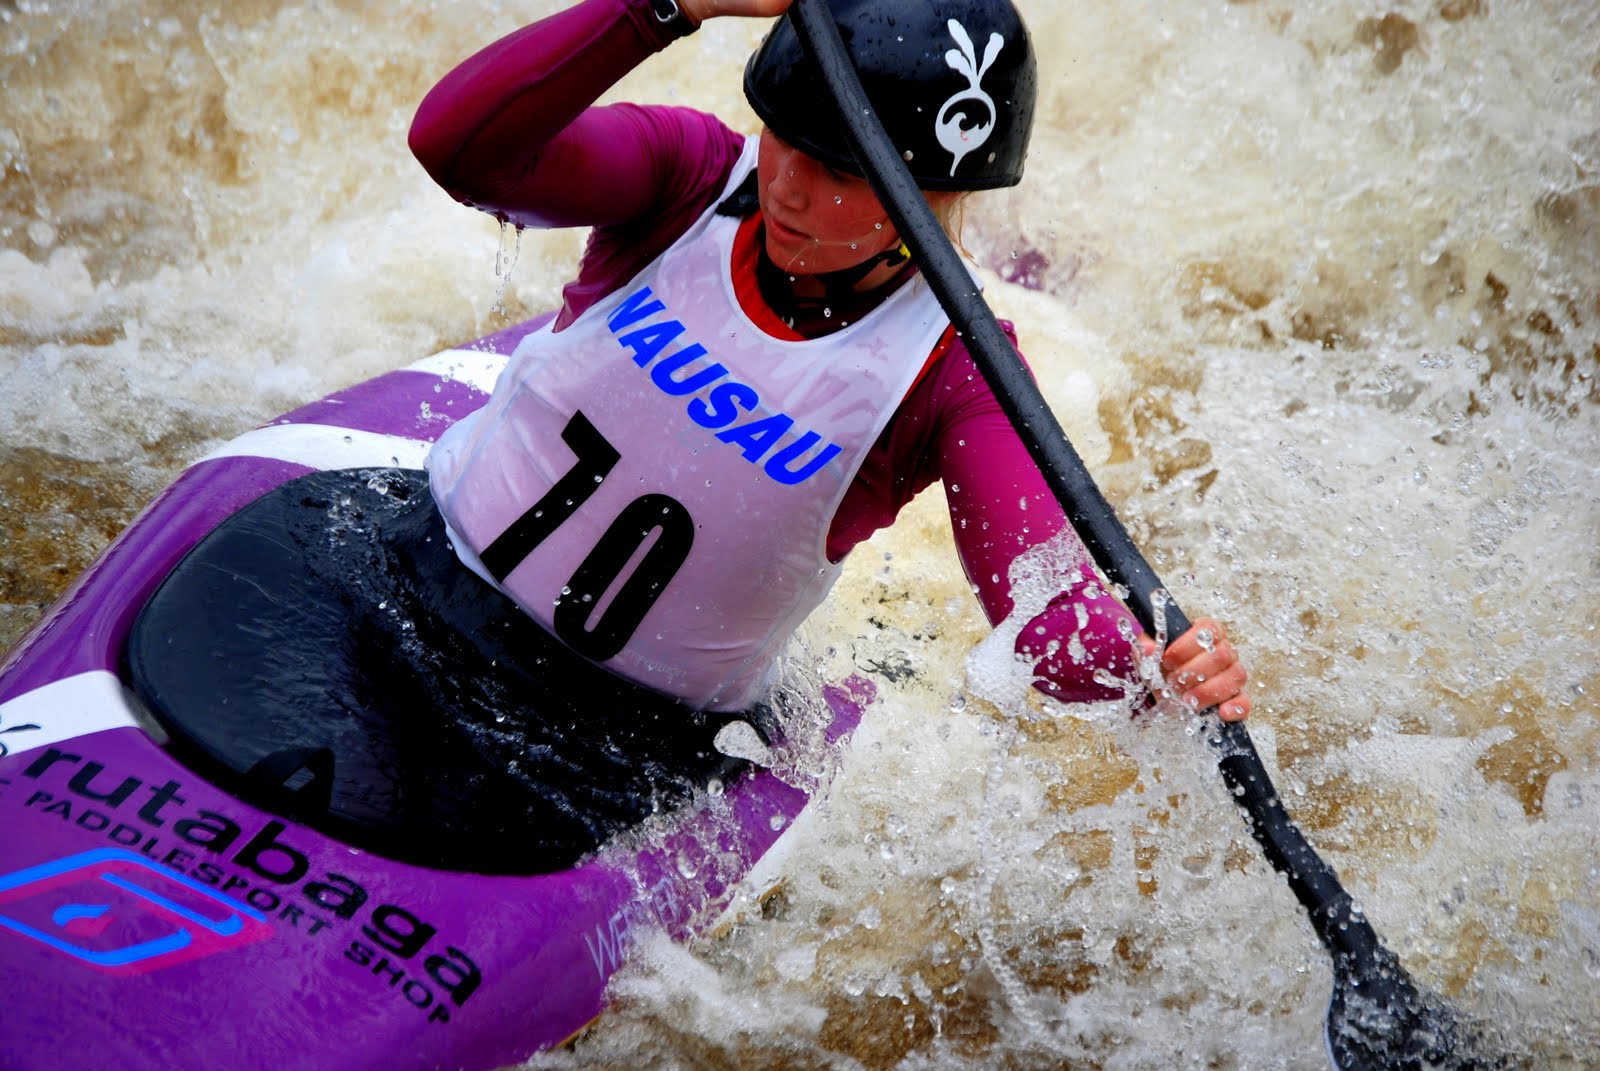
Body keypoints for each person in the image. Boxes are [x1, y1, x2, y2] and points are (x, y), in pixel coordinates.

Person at [408, 0, 1252, 742]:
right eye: (785, 137)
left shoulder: (956, 374)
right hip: (422, 565)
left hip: (638, 737)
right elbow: (457, 149)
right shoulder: (688, 176)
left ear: (925, 196)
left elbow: (1043, 617)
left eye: (841, 172)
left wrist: (1151, 673)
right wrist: (661, 6)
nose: (787, 188)